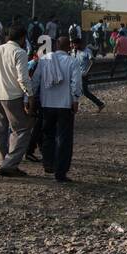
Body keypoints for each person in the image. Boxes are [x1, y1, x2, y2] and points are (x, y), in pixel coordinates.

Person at [30, 37, 81, 183]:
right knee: (64, 139)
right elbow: (76, 83)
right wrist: (75, 100)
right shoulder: (72, 61)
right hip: (65, 105)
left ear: (56, 45)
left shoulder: (45, 59)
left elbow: (35, 80)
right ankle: (61, 172)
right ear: (68, 47)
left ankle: (48, 164)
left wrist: (31, 99)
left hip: (47, 104)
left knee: (48, 134)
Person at [0, 25, 34, 177]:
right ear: (22, 38)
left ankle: (0, 162)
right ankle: (10, 164)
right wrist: (30, 95)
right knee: (22, 129)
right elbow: (23, 78)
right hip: (12, 96)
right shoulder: (20, 52)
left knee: (0, 130)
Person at [71, 37, 104, 112]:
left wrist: (87, 72)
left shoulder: (87, 51)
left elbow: (92, 62)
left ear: (79, 44)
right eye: (73, 45)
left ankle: (100, 104)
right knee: (73, 91)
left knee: (85, 92)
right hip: (75, 75)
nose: (74, 46)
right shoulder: (73, 52)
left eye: (75, 45)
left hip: (83, 75)